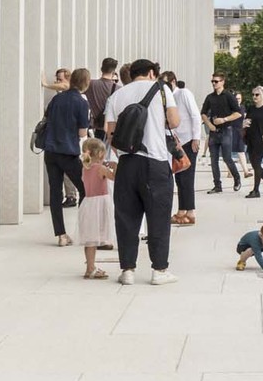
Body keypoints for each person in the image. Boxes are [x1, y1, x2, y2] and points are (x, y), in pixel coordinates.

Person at [103, 57, 180, 286]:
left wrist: (124, 154)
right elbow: (174, 122)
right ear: (150, 73)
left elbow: (110, 133)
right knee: (158, 217)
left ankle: (127, 270)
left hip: (127, 163)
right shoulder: (162, 89)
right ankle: (159, 270)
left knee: (126, 218)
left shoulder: (116, 95)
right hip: (155, 161)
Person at [43, 68, 93, 243]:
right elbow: (82, 133)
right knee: (85, 189)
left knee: (55, 192)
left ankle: (61, 235)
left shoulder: (57, 99)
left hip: (50, 151)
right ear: (86, 83)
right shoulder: (81, 102)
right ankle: (83, 228)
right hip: (68, 151)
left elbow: (47, 117)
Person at [77, 138, 114, 279]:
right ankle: (91, 268)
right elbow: (115, 177)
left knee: (90, 238)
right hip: (100, 205)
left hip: (88, 204)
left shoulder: (85, 168)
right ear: (100, 154)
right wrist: (115, 166)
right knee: (94, 237)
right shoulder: (101, 169)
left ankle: (90, 267)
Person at [202, 73, 245, 195]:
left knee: (227, 158)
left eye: (216, 81)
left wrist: (224, 119)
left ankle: (237, 178)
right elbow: (203, 113)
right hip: (214, 131)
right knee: (214, 159)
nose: (214, 83)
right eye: (213, 81)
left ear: (222, 82)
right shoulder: (210, 97)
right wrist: (209, 124)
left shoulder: (228, 96)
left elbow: (238, 113)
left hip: (226, 130)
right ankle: (217, 185)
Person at [172, 77, 204, 225]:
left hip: (188, 140)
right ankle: (182, 210)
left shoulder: (183, 93)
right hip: (178, 141)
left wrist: (196, 138)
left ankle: (190, 211)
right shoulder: (171, 96)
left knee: (187, 177)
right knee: (179, 177)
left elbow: (195, 115)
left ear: (173, 81)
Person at [85, 58, 121, 141]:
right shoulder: (118, 89)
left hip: (94, 128)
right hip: (111, 128)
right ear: (114, 71)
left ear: (101, 69)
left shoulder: (90, 84)